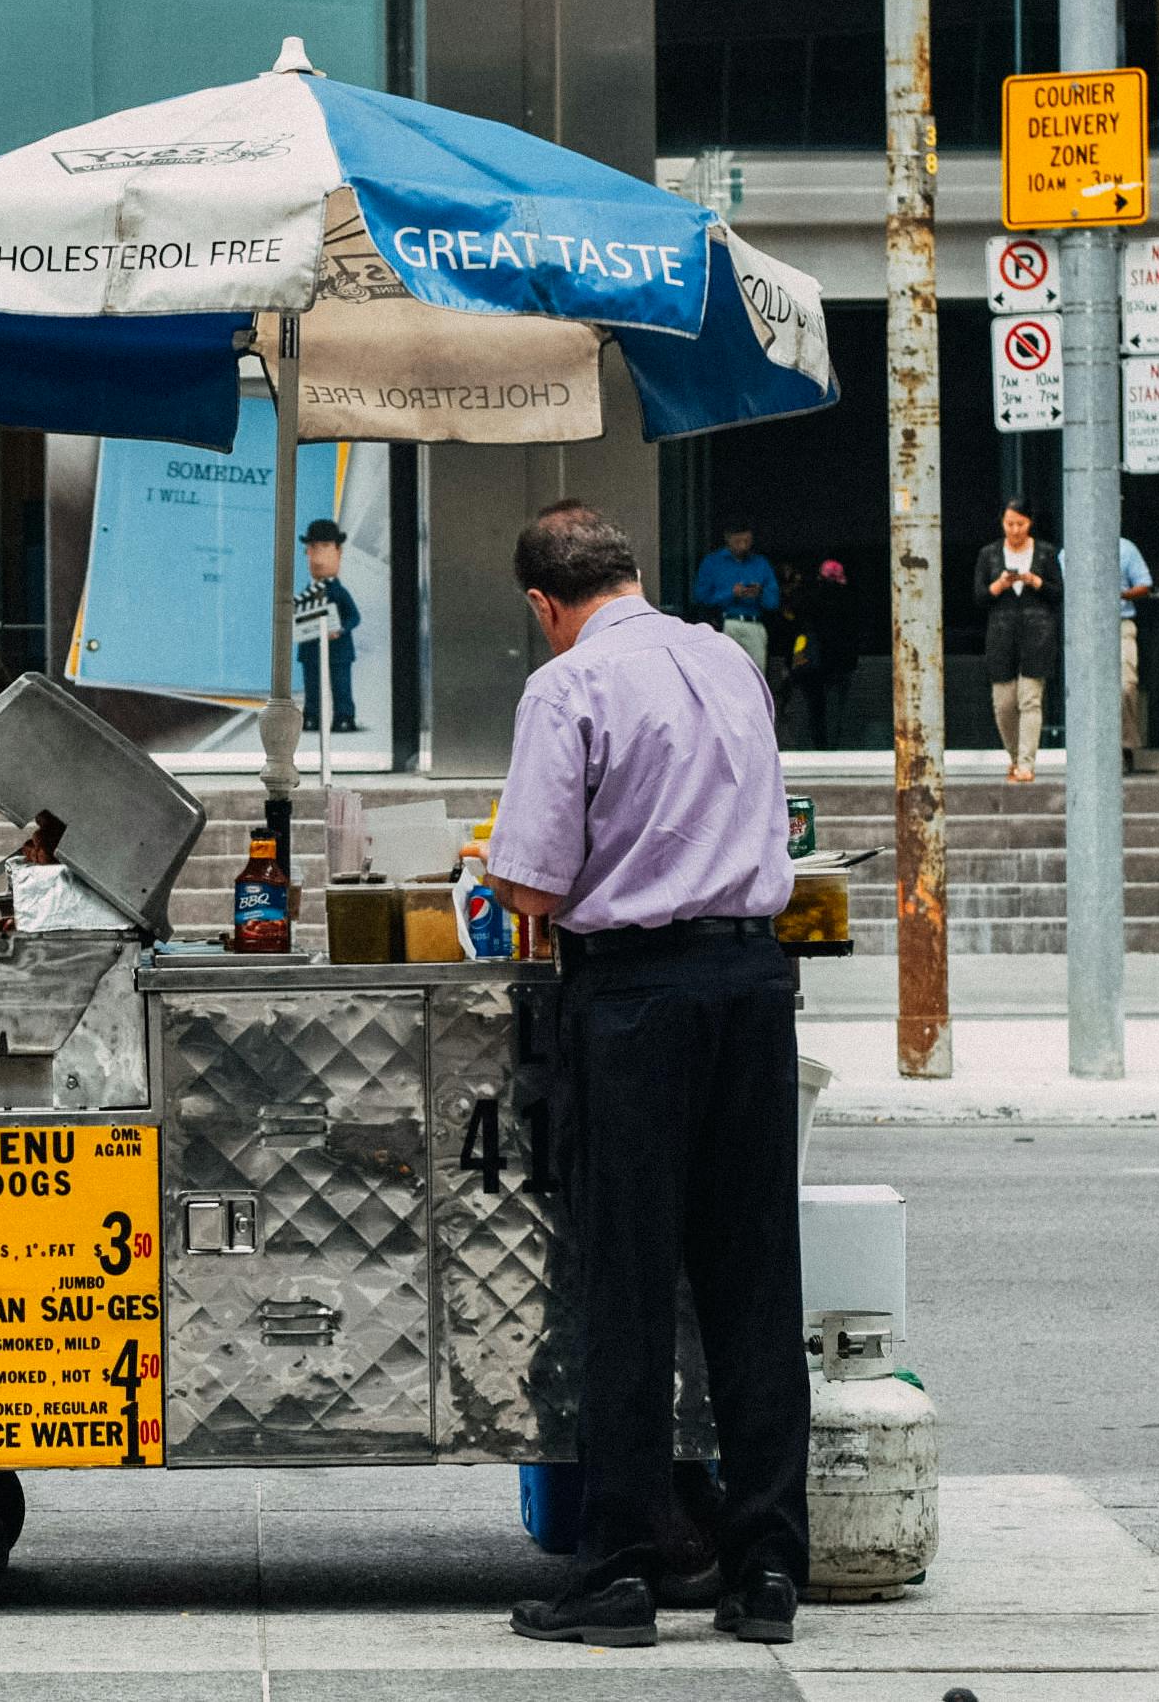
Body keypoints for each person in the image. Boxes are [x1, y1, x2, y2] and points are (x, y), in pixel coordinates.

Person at [486, 502, 807, 1654]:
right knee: (754, 1282)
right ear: (630, 573)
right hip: (754, 987)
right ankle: (765, 1570)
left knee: (624, 1281)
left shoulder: (564, 687)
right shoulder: (727, 659)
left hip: (635, 999)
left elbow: (529, 881)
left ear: (544, 604)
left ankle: (618, 1567)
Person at [975, 498, 1061, 784]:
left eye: (1020, 524)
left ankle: (1026, 763)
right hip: (1001, 631)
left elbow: (1058, 593)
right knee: (1003, 702)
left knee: (1030, 699)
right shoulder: (989, 554)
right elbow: (979, 597)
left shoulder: (1047, 552)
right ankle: (1014, 757)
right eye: (1009, 524)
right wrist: (1000, 584)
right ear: (1002, 523)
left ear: (1030, 523)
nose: (1014, 530)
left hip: (1037, 631)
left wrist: (1035, 581)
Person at [1062, 534, 1155, 762]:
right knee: (1087, 687)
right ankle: (1090, 751)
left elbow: (1145, 585)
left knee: (1125, 685)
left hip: (1120, 622)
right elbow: (1066, 589)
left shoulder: (1125, 548)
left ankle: (1125, 747)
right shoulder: (1069, 552)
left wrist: (1121, 594)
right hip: (1086, 626)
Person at [778, 559, 859, 749]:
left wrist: (789, 663)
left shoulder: (808, 596)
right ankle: (835, 747)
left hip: (812, 662)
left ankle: (818, 747)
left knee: (815, 707)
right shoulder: (849, 597)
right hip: (840, 661)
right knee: (837, 707)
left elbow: (794, 625)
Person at [296, 517, 363, 733]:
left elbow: (354, 616)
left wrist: (341, 630)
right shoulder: (306, 594)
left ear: (338, 551)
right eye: (313, 548)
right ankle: (311, 716)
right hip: (311, 650)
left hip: (339, 651)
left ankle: (344, 717)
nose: (318, 556)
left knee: (341, 685)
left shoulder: (339, 592)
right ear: (307, 552)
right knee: (312, 686)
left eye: (325, 547)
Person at [690, 518, 781, 673]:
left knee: (756, 675)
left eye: (747, 541)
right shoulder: (713, 562)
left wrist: (759, 594)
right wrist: (731, 594)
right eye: (739, 541)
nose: (743, 545)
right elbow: (700, 597)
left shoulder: (761, 563)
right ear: (728, 538)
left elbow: (773, 602)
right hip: (724, 623)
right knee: (723, 673)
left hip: (754, 624)